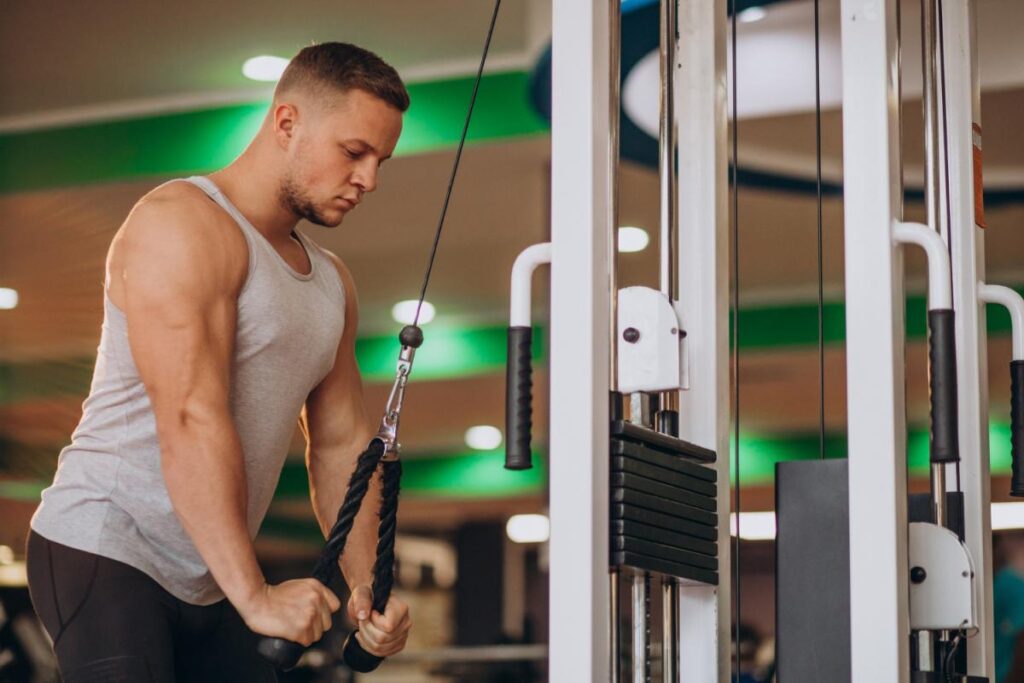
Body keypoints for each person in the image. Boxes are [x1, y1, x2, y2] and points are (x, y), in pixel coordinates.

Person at [25, 42, 412, 681]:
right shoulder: (182, 225)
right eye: (354, 152)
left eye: (381, 160)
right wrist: (255, 594)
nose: (369, 179)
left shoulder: (331, 283)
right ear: (287, 123)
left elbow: (341, 445)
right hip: (107, 545)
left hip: (211, 573)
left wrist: (370, 588)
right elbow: (190, 417)